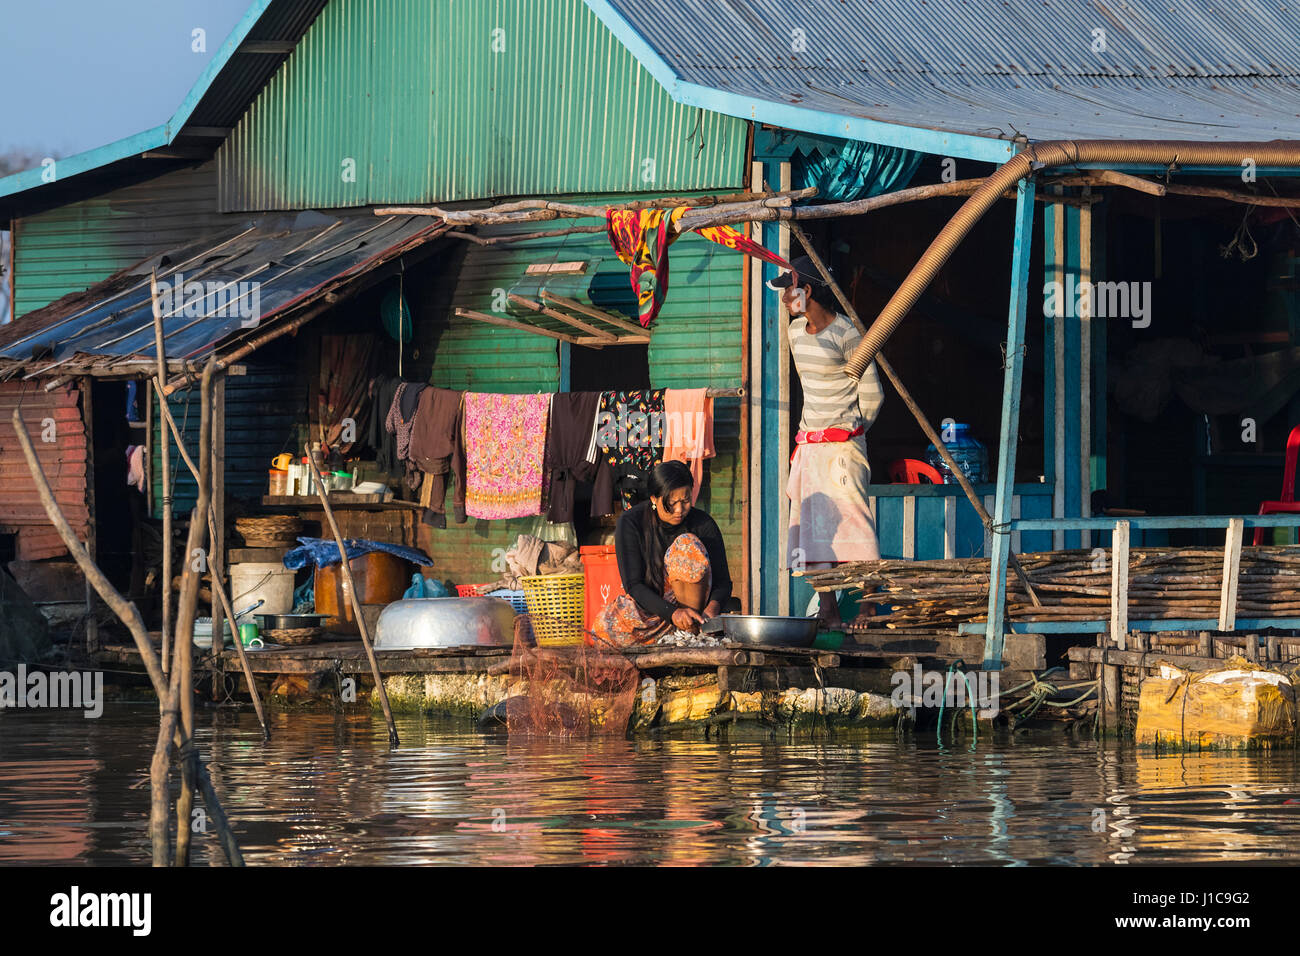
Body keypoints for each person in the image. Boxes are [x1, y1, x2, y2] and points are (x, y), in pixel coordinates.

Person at [768, 255, 885, 627]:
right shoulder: (794, 333)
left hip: (843, 446)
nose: (785, 299)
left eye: (789, 292)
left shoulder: (850, 334)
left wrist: (848, 430)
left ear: (808, 291)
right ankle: (828, 607)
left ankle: (869, 606)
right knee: (813, 527)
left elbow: (873, 395)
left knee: (856, 523)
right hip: (810, 445)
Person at [591, 460, 732, 647]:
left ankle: (690, 635)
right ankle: (668, 636)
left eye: (686, 500)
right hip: (655, 611)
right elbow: (634, 585)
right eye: (671, 503)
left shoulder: (703, 524)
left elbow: (723, 582)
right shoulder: (631, 522)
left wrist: (712, 608)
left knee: (686, 544)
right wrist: (673, 613)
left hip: (697, 619)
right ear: (653, 499)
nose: (679, 510)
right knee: (603, 629)